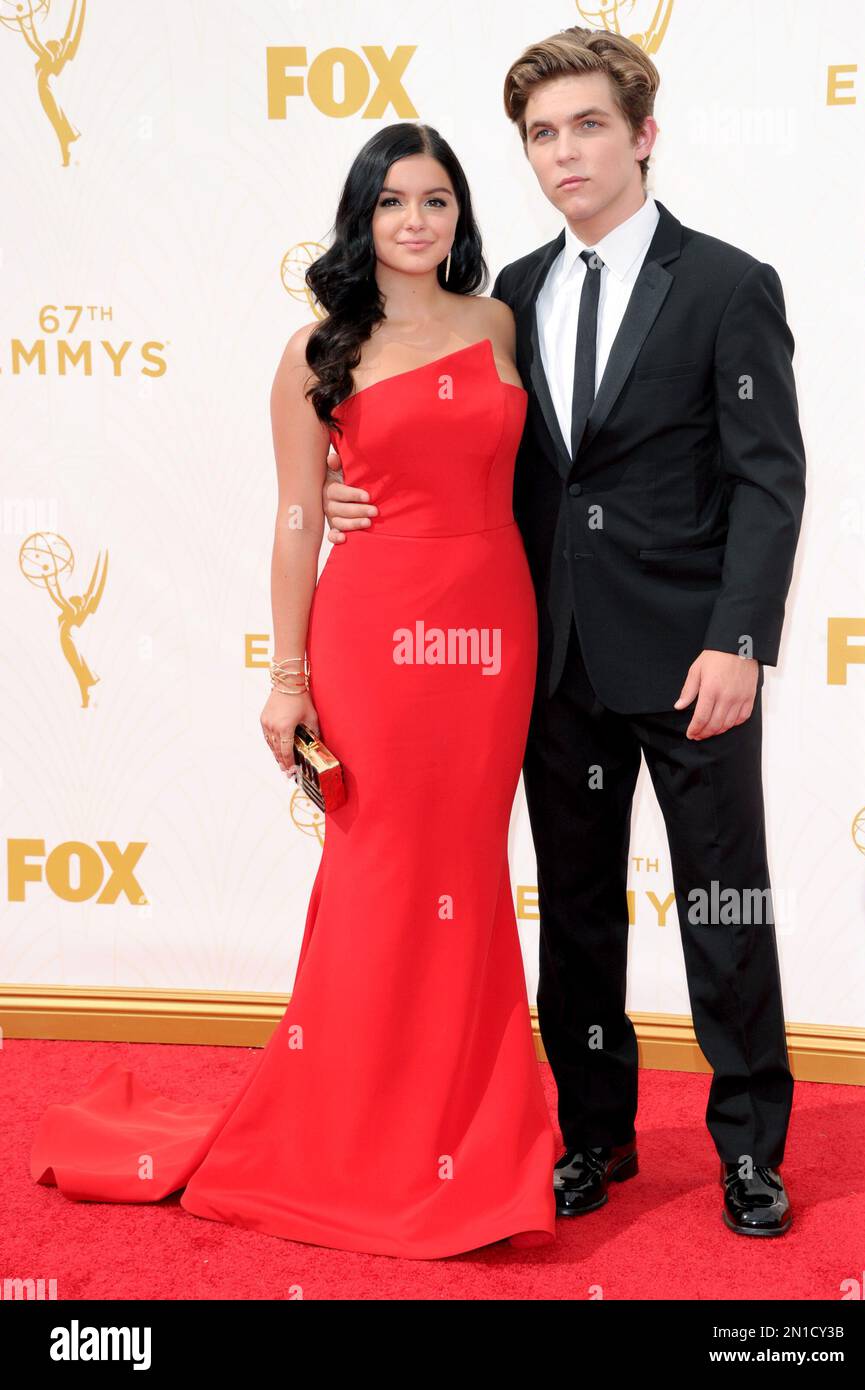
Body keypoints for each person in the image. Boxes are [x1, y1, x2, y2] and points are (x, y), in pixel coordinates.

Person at [30, 122, 558, 1259]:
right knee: (380, 876)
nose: (418, 222)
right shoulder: (318, 348)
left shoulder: (500, 321)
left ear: (461, 217)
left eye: (438, 202)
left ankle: (466, 1133)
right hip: (376, 633)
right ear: (360, 218)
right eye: (393, 203)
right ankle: (356, 1137)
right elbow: (298, 521)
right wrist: (287, 678)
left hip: (491, 633)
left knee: (466, 871)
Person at [323, 28, 806, 1237]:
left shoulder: (728, 284)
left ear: (643, 134)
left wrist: (739, 639)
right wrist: (352, 492)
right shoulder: (510, 299)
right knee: (579, 912)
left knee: (722, 903)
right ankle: (595, 1132)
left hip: (696, 657)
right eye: (541, 133)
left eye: (587, 125)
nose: (563, 151)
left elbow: (769, 481)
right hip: (550, 658)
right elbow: (466, 454)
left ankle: (752, 1144)